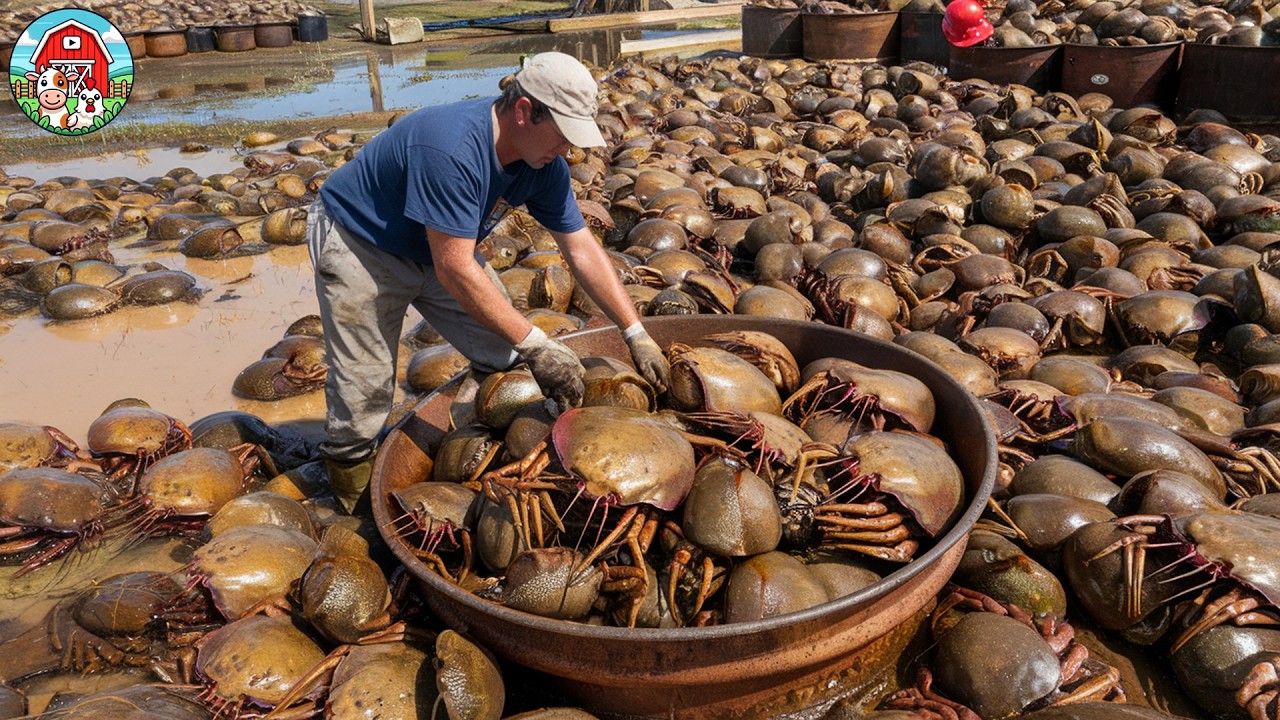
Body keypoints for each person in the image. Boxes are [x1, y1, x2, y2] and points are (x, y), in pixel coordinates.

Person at [307, 52, 670, 513]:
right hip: (361, 242)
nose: (568, 150)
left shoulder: (544, 166)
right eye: (562, 134)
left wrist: (634, 332)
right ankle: (355, 499)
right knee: (365, 392)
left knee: (503, 351)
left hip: (440, 248)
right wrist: (538, 342)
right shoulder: (452, 148)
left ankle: (473, 432)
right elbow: (455, 267)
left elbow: (580, 248)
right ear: (524, 111)